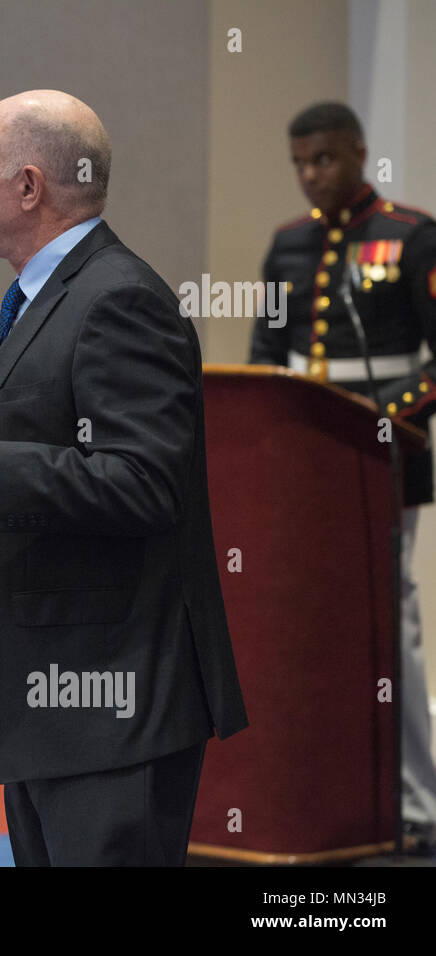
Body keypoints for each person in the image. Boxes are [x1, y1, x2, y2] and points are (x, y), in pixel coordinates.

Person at [0, 90, 248, 865]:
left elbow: (148, 483)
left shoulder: (118, 298)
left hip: (109, 707)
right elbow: (37, 493)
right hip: (55, 707)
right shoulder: (45, 295)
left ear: (28, 186)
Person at [249, 101, 436, 851]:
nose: (311, 175)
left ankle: (419, 807)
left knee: (392, 624)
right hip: (303, 465)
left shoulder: (410, 236)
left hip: (381, 451)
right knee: (302, 627)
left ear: (359, 152)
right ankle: (320, 797)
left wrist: (383, 414)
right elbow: (265, 355)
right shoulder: (287, 246)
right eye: (299, 162)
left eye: (324, 159)